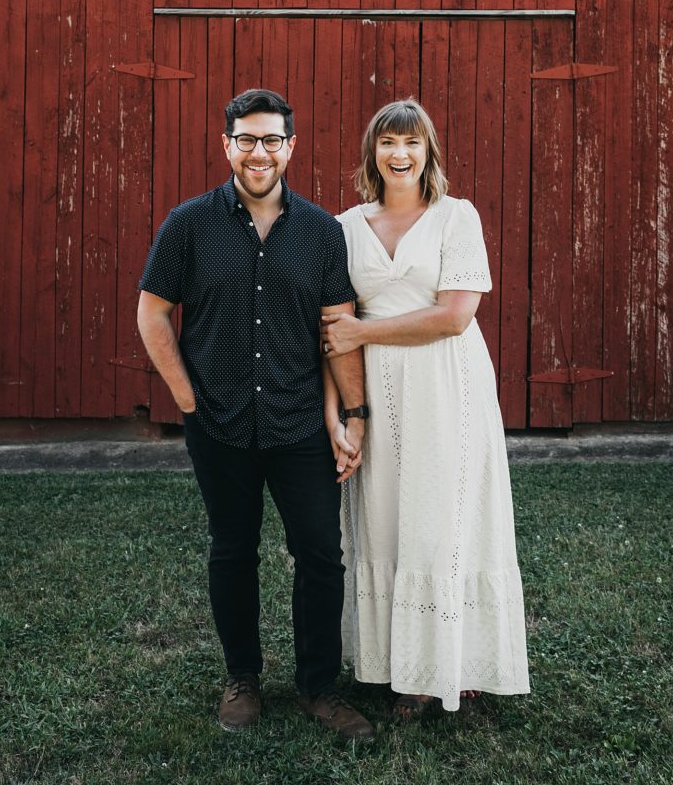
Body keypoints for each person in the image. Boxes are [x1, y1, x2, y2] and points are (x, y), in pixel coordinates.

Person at [137, 88, 374, 740]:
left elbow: (338, 326)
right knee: (233, 551)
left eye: (272, 139)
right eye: (247, 138)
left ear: (290, 146)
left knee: (322, 554)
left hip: (300, 423)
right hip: (218, 424)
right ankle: (242, 677)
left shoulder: (322, 233)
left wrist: (353, 413)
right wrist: (187, 398)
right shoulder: (188, 225)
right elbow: (152, 311)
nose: (259, 151)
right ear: (227, 146)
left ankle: (318, 687)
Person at [321, 99, 530, 716]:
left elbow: (455, 315)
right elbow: (331, 329)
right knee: (385, 518)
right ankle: (397, 666)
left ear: (428, 152)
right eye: (388, 143)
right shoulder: (343, 228)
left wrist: (363, 333)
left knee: (443, 516)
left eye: (411, 142)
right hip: (373, 391)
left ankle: (451, 658)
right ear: (372, 154)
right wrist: (337, 417)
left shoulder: (456, 217)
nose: (400, 154)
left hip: (447, 385)